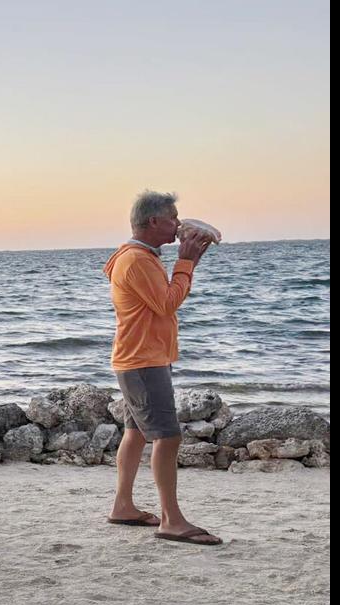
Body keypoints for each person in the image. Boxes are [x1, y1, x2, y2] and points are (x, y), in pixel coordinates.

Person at [104, 190, 221, 545]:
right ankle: (171, 520)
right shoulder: (137, 260)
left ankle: (123, 506)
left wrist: (184, 262)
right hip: (143, 361)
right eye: (172, 218)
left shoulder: (137, 256)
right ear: (153, 221)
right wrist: (186, 262)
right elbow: (167, 304)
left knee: (136, 432)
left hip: (140, 358)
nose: (178, 224)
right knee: (167, 437)